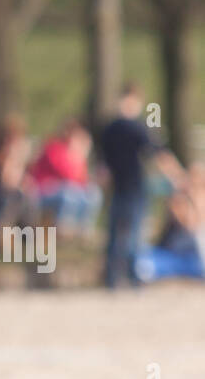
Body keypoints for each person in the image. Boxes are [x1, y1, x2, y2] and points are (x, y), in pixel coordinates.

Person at [98, 84, 185, 288]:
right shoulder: (138, 127)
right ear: (135, 101)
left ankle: (112, 279)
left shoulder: (109, 128)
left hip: (116, 189)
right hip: (135, 188)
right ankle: (134, 278)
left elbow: (103, 166)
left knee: (114, 235)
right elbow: (159, 154)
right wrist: (178, 176)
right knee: (134, 236)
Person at [135, 162, 205, 283]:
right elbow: (186, 222)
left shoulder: (198, 201)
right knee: (142, 261)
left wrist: (195, 200)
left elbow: (193, 226)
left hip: (191, 256)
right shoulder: (178, 200)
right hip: (172, 252)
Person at [27, 119, 100, 234]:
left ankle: (83, 229)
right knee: (69, 193)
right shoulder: (54, 148)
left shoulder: (75, 154)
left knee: (93, 193)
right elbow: (67, 174)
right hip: (43, 191)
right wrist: (78, 156)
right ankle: (63, 228)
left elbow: (83, 180)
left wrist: (80, 156)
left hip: (65, 189)